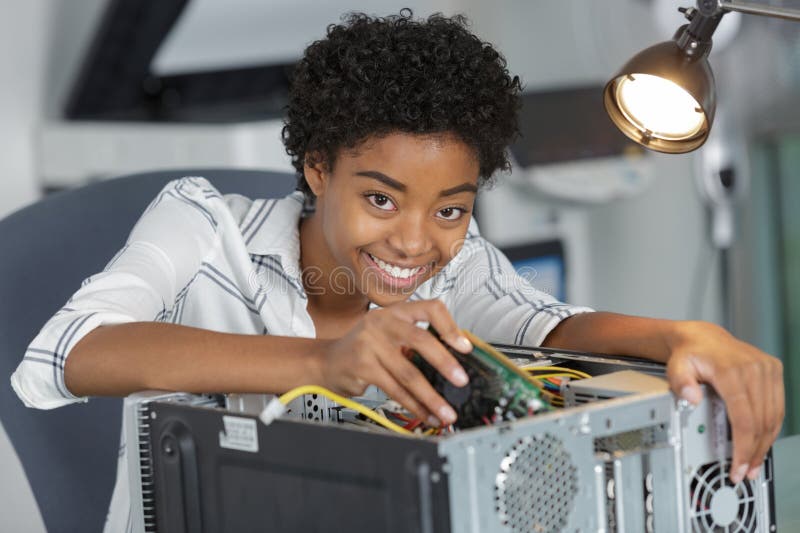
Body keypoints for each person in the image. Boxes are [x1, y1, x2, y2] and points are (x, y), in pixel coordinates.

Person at [11, 9, 783, 531]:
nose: (416, 243)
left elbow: (555, 328)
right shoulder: (201, 226)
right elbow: (67, 353)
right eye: (381, 198)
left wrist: (686, 332)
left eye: (449, 208)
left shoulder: (461, 268)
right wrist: (322, 361)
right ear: (317, 168)